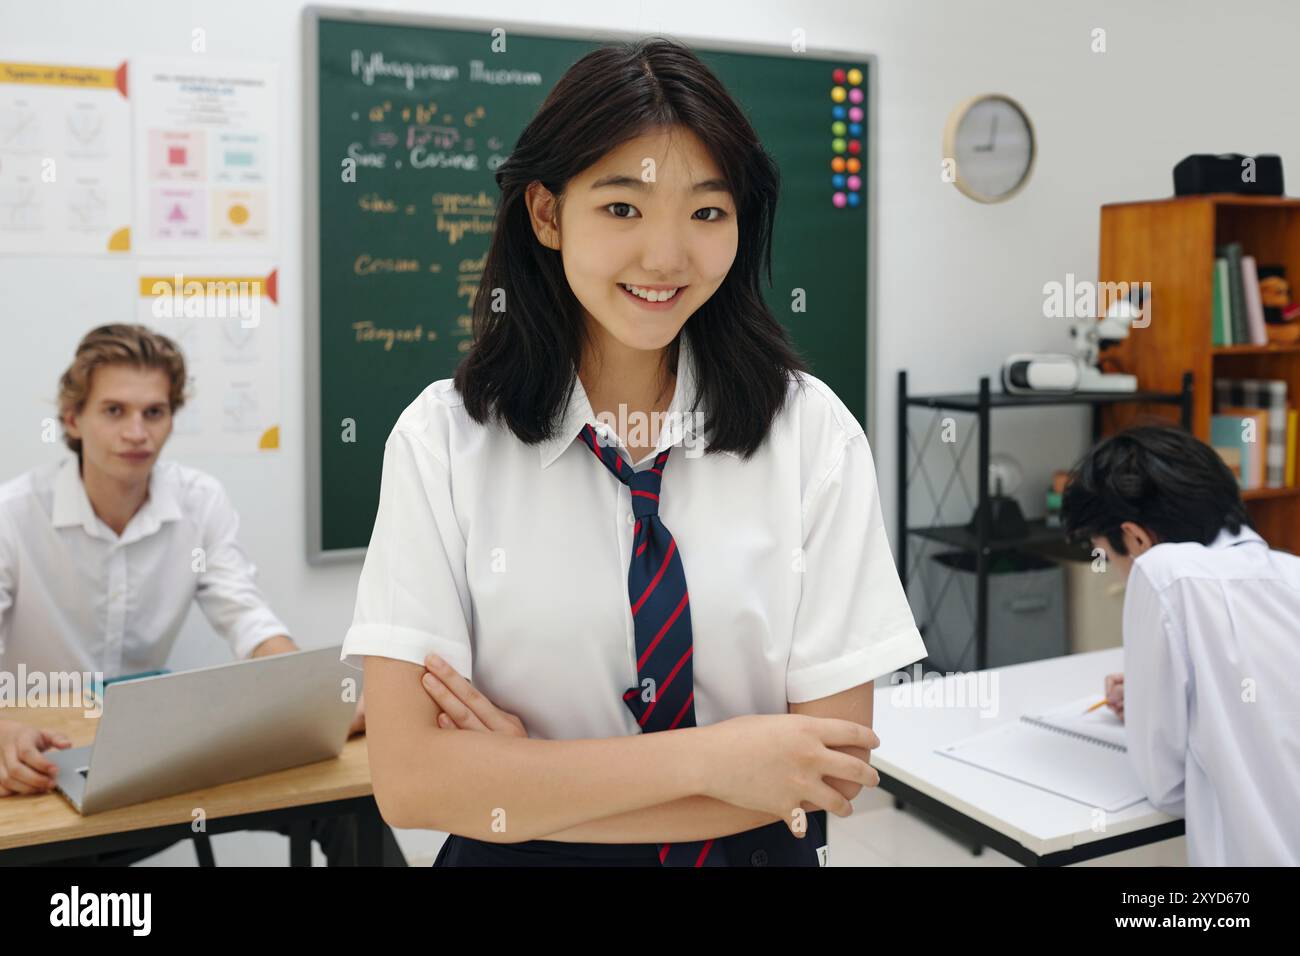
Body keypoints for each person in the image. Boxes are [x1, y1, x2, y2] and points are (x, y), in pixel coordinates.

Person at [344, 38, 927, 867]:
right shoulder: (443, 442)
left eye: (707, 212)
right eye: (623, 208)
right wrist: (721, 762)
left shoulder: (811, 435)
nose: (666, 256)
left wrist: (521, 779)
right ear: (548, 214)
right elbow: (410, 783)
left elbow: (822, 773)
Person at [0, 324, 402, 865]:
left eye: (155, 412)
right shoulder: (15, 513)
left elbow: (246, 616)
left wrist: (309, 695)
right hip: (38, 754)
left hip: (149, 757)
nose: (136, 432)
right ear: (74, 419)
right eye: (114, 411)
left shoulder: (198, 501)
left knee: (352, 805)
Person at [1061, 423, 1300, 866]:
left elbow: (1167, 788)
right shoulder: (1291, 572)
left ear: (1135, 538)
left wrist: (1157, 707)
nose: (1115, 571)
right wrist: (1163, 697)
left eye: (1108, 557)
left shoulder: (1163, 571)